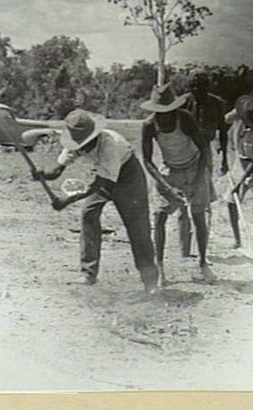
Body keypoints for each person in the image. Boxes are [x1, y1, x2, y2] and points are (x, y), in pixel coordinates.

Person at [32, 109, 159, 294]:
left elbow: (101, 184)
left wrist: (67, 200)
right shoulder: (75, 141)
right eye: (79, 144)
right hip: (102, 175)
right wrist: (42, 174)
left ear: (94, 135)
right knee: (88, 213)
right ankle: (88, 273)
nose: (82, 147)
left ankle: (150, 281)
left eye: (86, 143)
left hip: (128, 176)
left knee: (137, 226)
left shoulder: (110, 145)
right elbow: (57, 170)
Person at [140, 83, 216, 284]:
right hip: (170, 170)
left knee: (198, 215)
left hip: (194, 166)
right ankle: (160, 268)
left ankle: (202, 263)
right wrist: (165, 185)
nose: (164, 117)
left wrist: (200, 178)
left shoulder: (185, 119)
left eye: (168, 112)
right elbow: (147, 160)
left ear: (175, 109)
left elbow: (203, 148)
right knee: (159, 216)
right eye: (159, 113)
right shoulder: (149, 125)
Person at [178, 71, 229, 257]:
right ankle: (184, 248)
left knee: (204, 198)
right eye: (193, 87)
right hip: (185, 149)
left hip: (205, 151)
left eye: (201, 87)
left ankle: (202, 250)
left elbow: (223, 130)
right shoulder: (183, 102)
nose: (197, 91)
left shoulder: (216, 103)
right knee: (183, 198)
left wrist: (224, 157)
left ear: (208, 88)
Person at [225, 94, 253, 250]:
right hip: (239, 162)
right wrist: (240, 110)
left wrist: (240, 182)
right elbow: (226, 119)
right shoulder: (238, 118)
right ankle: (237, 240)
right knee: (231, 202)